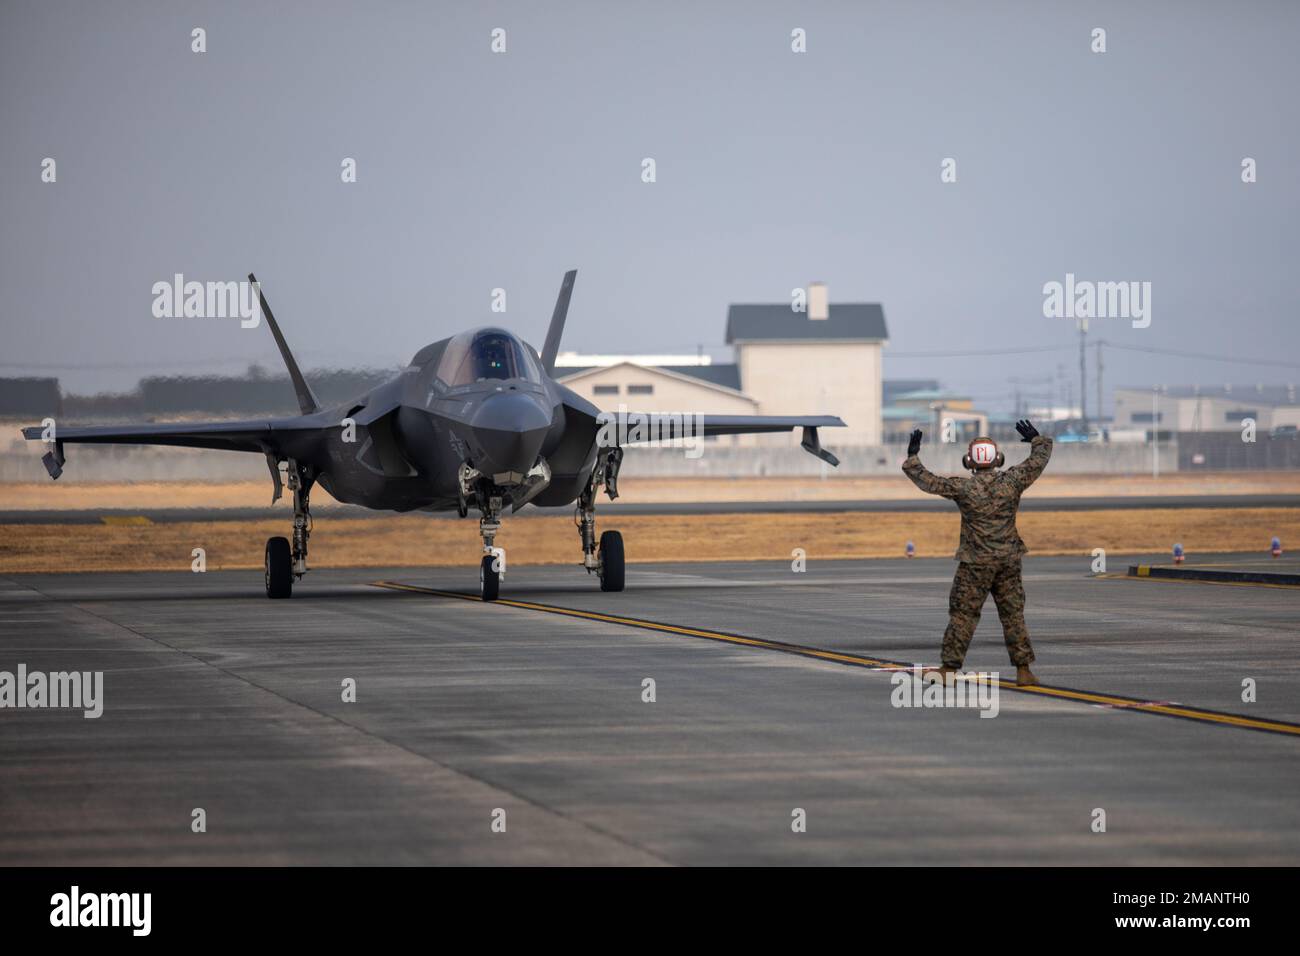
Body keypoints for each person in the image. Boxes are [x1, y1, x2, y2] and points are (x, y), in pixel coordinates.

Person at [902, 420, 1053, 686]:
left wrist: (913, 457)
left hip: (975, 563)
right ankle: (1024, 671)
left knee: (963, 614)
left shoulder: (963, 488)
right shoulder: (1013, 481)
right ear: (998, 459)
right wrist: (1037, 440)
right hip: (1008, 561)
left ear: (968, 462)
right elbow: (1037, 462)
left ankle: (949, 669)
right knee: (1013, 614)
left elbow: (930, 482)